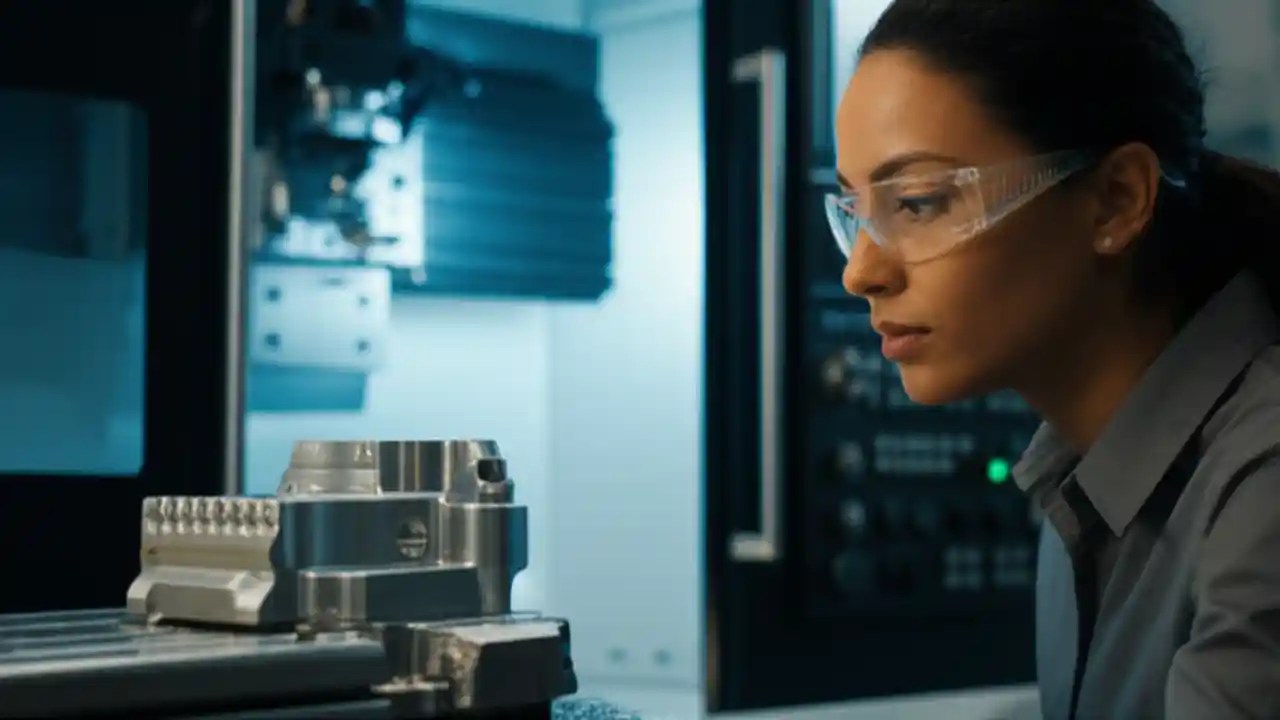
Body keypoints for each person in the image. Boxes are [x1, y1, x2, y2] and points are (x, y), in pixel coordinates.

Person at [828, 1, 1280, 718]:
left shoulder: (1263, 478)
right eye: (855, 211)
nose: (861, 272)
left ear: (1115, 200)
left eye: (917, 202)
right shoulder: (1078, 484)